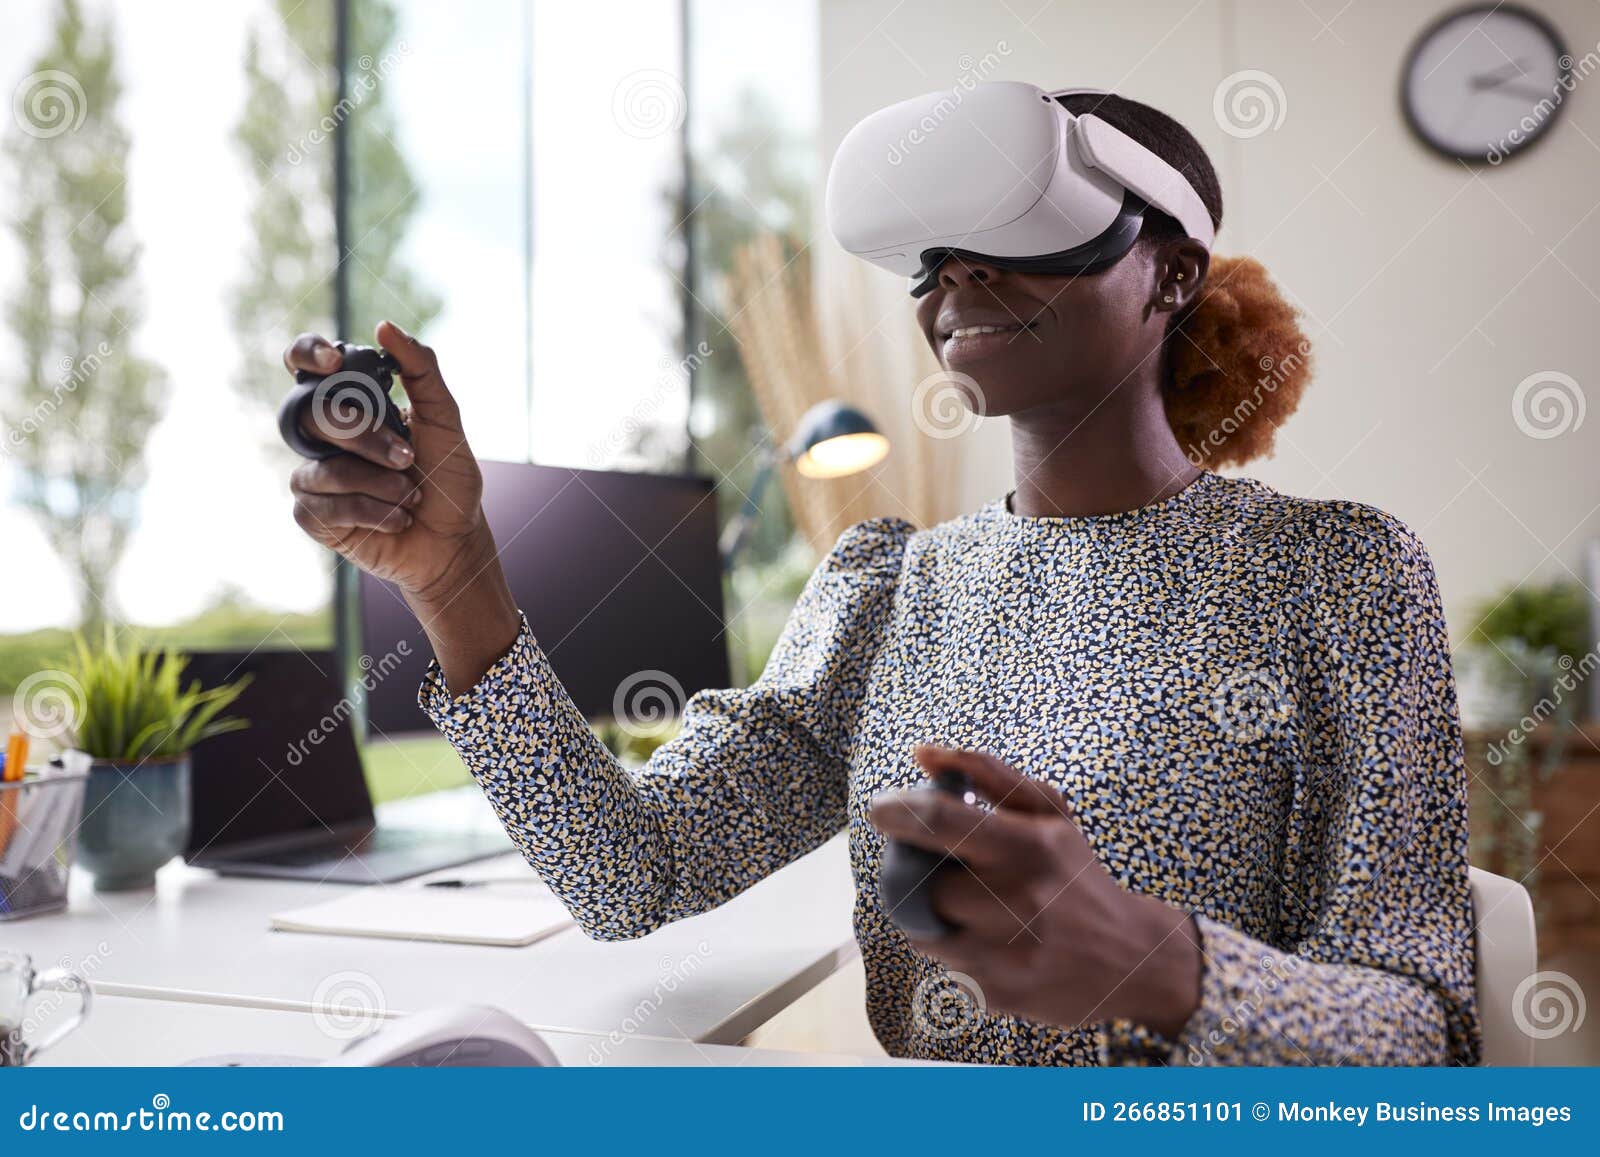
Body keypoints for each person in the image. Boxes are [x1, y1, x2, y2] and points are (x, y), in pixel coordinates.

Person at [280, 92, 1480, 1066]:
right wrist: (454, 578)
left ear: (1167, 277)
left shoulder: (1337, 575)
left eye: (1020, 232)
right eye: (930, 255)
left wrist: (1150, 963)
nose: (956, 274)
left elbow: (1429, 1030)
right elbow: (629, 873)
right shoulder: (895, 587)